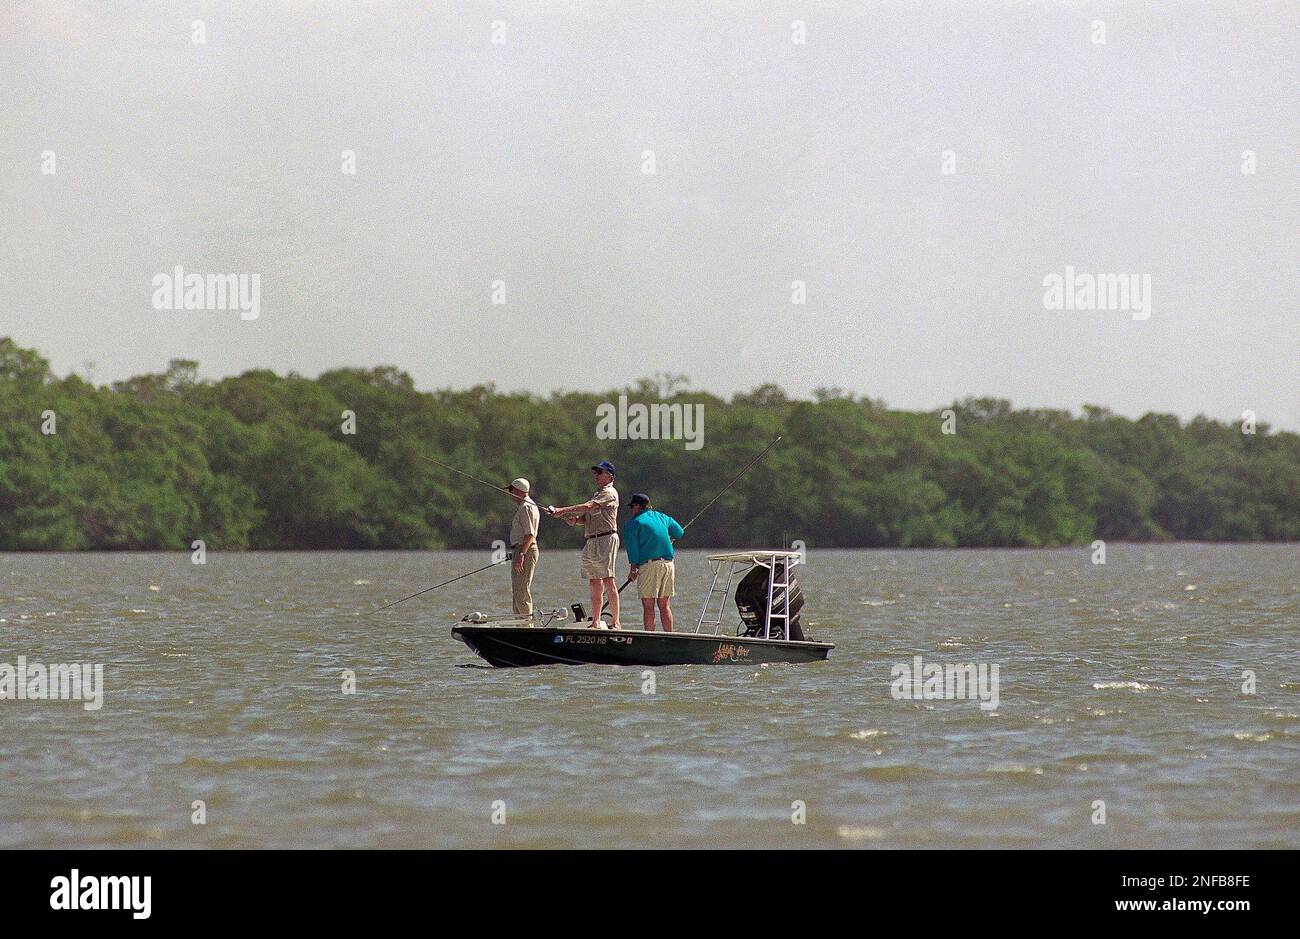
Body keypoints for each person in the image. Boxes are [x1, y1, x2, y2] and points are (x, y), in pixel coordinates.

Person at [545, 460, 621, 628]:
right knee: (594, 581)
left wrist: (561, 510)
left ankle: (616, 622)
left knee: (608, 580)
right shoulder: (597, 494)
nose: (596, 476)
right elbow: (588, 517)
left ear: (610, 476)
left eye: (600, 473)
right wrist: (575, 520)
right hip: (591, 540)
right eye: (595, 473)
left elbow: (588, 507)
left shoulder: (610, 493)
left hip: (606, 539)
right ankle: (595, 622)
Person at [622, 493, 684, 631]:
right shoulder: (662, 517)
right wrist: (669, 537)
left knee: (648, 606)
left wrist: (633, 570)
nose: (631, 510)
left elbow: (633, 550)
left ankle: (650, 637)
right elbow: (679, 533)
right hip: (668, 565)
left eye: (631, 506)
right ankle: (670, 637)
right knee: (664, 605)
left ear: (638, 506)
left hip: (650, 565)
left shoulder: (633, 523)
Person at [507, 478, 539, 616]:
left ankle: (526, 625)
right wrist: (516, 552)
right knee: (517, 592)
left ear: (519, 491)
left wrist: (521, 554)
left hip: (526, 549)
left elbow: (530, 534)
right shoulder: (524, 506)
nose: (510, 493)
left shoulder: (526, 507)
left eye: (511, 490)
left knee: (522, 591)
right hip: (520, 549)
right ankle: (520, 623)